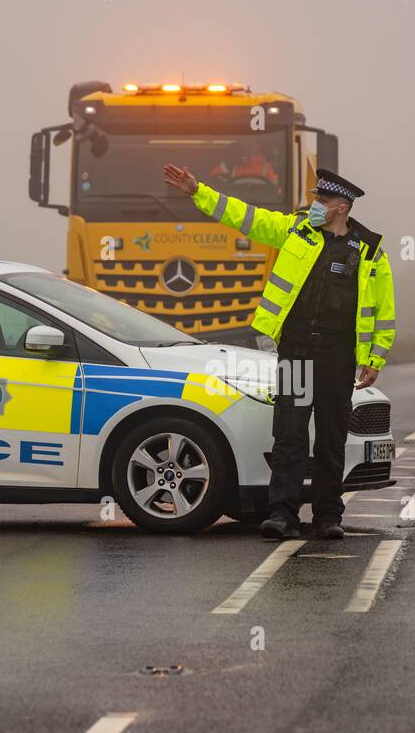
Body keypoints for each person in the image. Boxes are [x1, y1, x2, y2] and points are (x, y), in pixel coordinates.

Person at [163, 163, 396, 539]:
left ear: (343, 206)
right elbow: (245, 217)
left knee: (332, 438)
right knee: (290, 434)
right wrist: (197, 190)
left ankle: (327, 518)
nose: (316, 204)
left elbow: (384, 311)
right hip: (298, 352)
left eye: (324, 199)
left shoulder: (369, 250)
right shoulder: (296, 230)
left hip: (338, 359)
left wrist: (375, 358)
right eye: (316, 197)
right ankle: (283, 515)